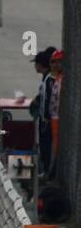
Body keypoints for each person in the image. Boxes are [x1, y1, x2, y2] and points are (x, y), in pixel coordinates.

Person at [30, 47, 57, 176]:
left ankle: (47, 171)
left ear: (41, 65)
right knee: (44, 144)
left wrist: (46, 117)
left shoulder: (49, 80)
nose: (35, 66)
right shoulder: (47, 78)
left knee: (46, 145)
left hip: (47, 119)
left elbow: (48, 99)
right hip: (45, 119)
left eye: (36, 64)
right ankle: (46, 169)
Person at [49, 49, 65, 178]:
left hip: (59, 118)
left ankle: (54, 170)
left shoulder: (63, 79)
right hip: (55, 117)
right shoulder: (58, 78)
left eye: (55, 62)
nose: (53, 65)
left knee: (57, 145)